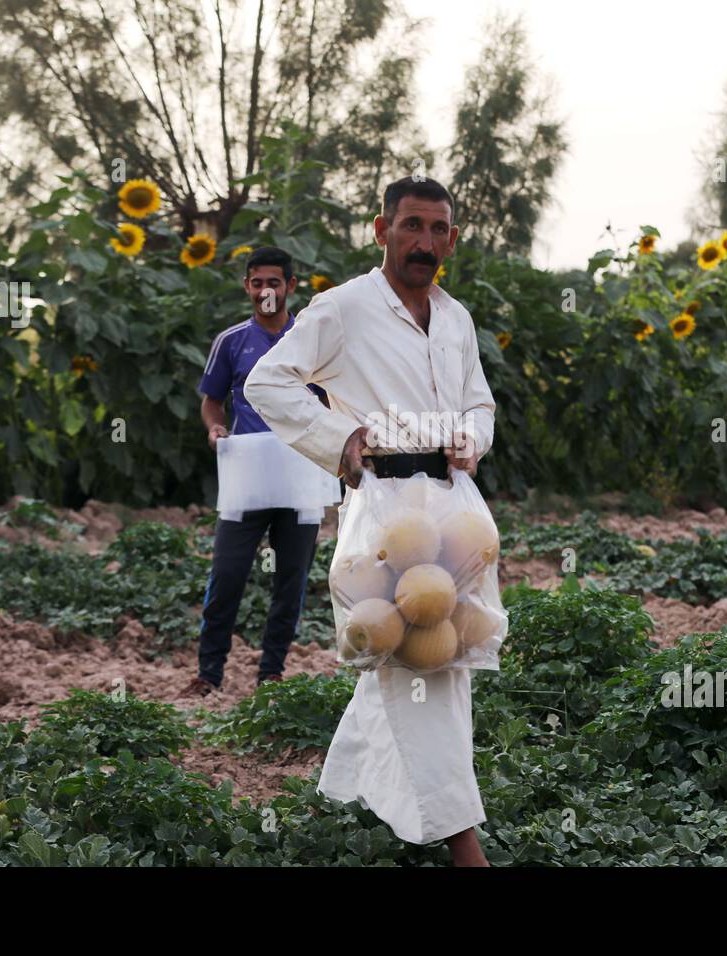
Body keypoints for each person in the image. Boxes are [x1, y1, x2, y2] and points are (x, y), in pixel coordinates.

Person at [244, 177, 496, 866]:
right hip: (386, 511)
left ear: (451, 236)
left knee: (417, 655)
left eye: (439, 229)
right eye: (411, 226)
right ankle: (465, 849)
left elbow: (480, 404)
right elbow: (267, 381)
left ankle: (342, 796)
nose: (425, 242)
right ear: (381, 230)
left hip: (453, 505)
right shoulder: (345, 308)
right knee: (428, 658)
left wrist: (474, 439)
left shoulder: (456, 318)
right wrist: (340, 440)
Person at [185, 246, 329, 699]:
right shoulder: (231, 342)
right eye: (257, 282)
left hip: (301, 471)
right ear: (247, 286)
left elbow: (332, 397)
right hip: (247, 472)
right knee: (227, 573)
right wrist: (215, 428)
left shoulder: (310, 338)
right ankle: (208, 674)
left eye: (274, 282)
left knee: (292, 577)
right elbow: (211, 399)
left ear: (290, 285)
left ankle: (272, 670)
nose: (266, 290)